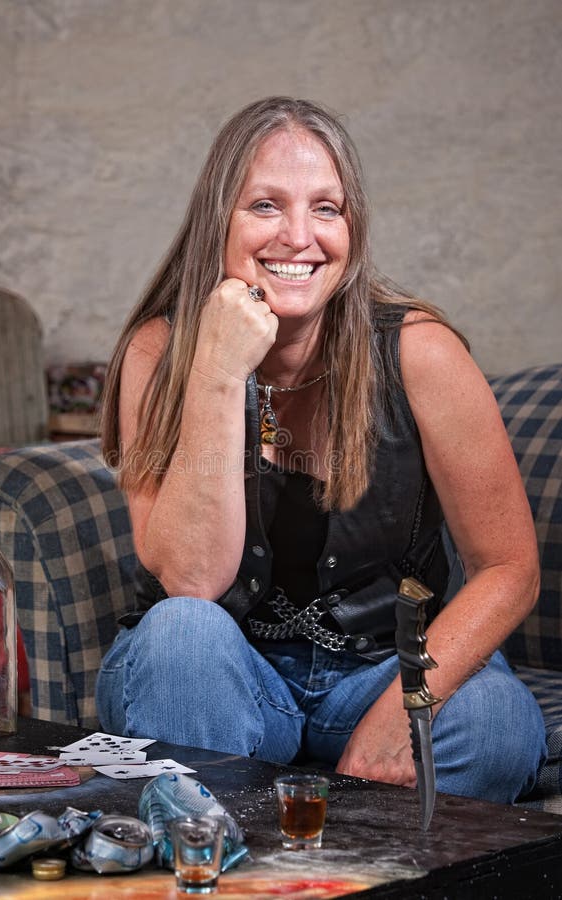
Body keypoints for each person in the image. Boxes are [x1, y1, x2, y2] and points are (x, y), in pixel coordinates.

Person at [96, 96, 546, 804]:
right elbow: (189, 578)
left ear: (353, 228)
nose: (297, 237)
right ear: (218, 221)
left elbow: (509, 567)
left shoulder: (419, 352)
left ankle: (318, 844)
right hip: (222, 674)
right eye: (265, 206)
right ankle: (220, 855)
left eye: (326, 209)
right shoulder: (159, 351)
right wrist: (217, 371)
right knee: (177, 632)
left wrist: (409, 704)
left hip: (382, 668)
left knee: (494, 723)